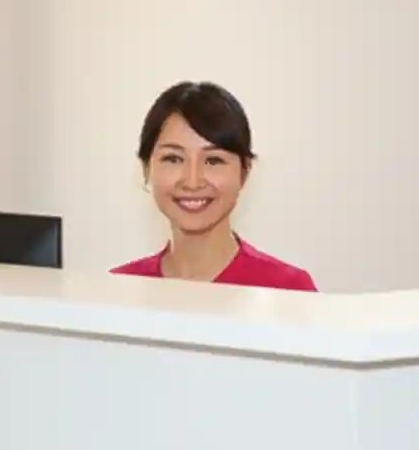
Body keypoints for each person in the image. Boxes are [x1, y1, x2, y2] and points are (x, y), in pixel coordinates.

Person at [111, 81, 318, 292]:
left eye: (213, 161)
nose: (192, 181)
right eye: (173, 158)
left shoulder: (288, 291)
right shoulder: (117, 291)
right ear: (147, 168)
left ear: (244, 172)